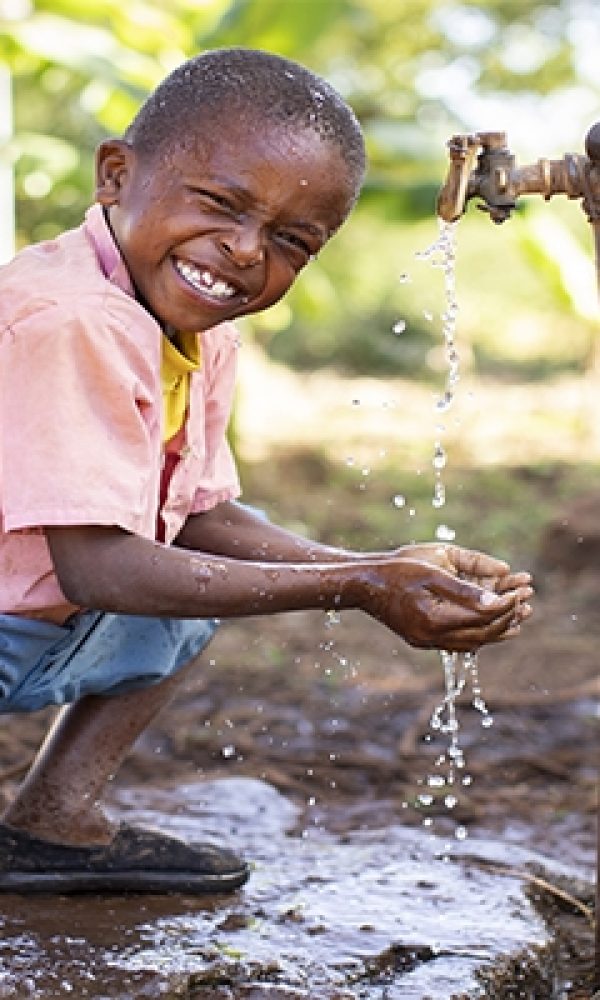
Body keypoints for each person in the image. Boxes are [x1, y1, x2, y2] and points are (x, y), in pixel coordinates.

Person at [0, 47, 532, 894]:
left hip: (26, 621)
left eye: (291, 241)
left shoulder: (199, 327)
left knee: (186, 603)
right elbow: (97, 563)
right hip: (28, 613)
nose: (245, 252)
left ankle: (53, 825)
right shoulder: (71, 318)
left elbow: (201, 516)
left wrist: (387, 567)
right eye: (220, 204)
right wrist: (357, 588)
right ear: (114, 174)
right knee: (162, 587)